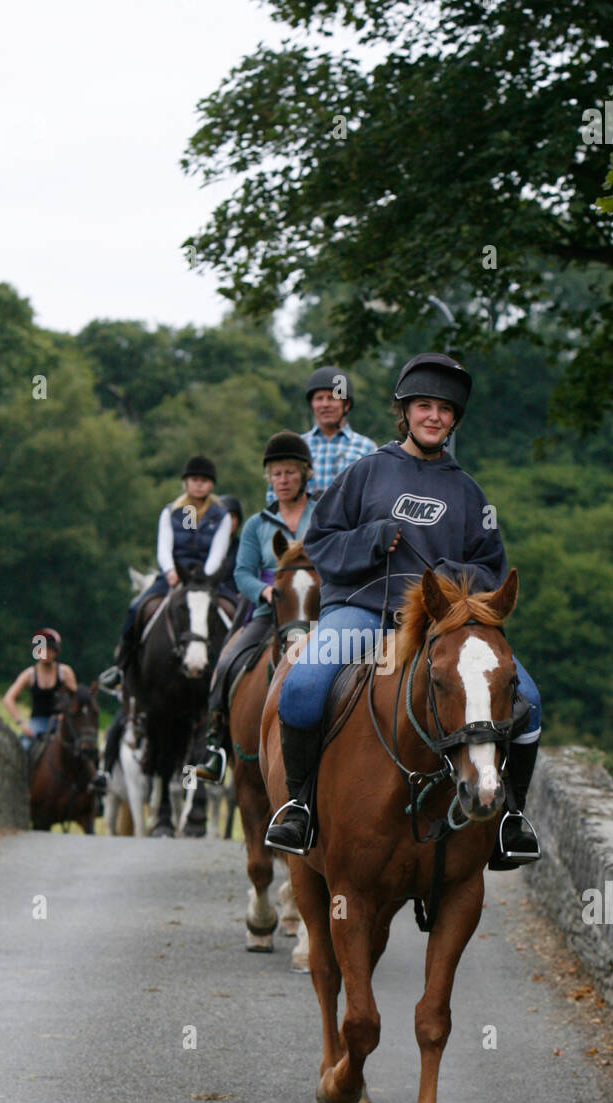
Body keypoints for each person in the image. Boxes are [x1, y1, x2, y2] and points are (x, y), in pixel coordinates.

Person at [265, 352, 542, 868]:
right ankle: (299, 806)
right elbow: (320, 542)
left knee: (530, 702)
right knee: (302, 689)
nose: (434, 416)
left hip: (443, 624)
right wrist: (370, 539)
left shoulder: (468, 491)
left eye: (444, 410)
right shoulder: (365, 473)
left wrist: (448, 580)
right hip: (363, 611)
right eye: (424, 406)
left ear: (454, 420)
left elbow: (490, 564)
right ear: (405, 412)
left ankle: (510, 818)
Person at [195, 432, 318, 783]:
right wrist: (266, 593)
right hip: (271, 612)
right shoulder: (257, 525)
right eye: (276, 474)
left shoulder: (323, 517)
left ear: (305, 475)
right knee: (228, 659)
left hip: (317, 613)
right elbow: (241, 573)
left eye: (290, 473)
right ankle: (216, 746)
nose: (282, 480)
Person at [114, 455, 232, 679]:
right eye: (194, 479)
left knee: (235, 611)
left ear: (212, 484)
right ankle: (122, 664)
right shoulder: (172, 512)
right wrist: (169, 571)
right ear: (186, 482)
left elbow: (219, 550)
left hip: (208, 578)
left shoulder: (221, 515)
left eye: (204, 480)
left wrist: (204, 579)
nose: (199, 484)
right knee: (137, 608)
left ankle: (236, 666)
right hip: (176, 574)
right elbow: (164, 547)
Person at [265, 367, 376, 504]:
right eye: (319, 398)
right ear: (312, 405)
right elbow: (274, 495)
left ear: (346, 405)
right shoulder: (297, 446)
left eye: (332, 398)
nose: (325, 404)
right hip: (302, 524)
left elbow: (374, 495)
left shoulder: (366, 448)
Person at [3, 628, 78, 749]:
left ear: (56, 652)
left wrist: (66, 713)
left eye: (49, 650)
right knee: (24, 748)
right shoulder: (29, 674)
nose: (45, 653)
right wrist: (21, 723)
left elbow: (76, 697)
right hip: (37, 723)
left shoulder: (65, 672)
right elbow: (8, 698)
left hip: (62, 722)